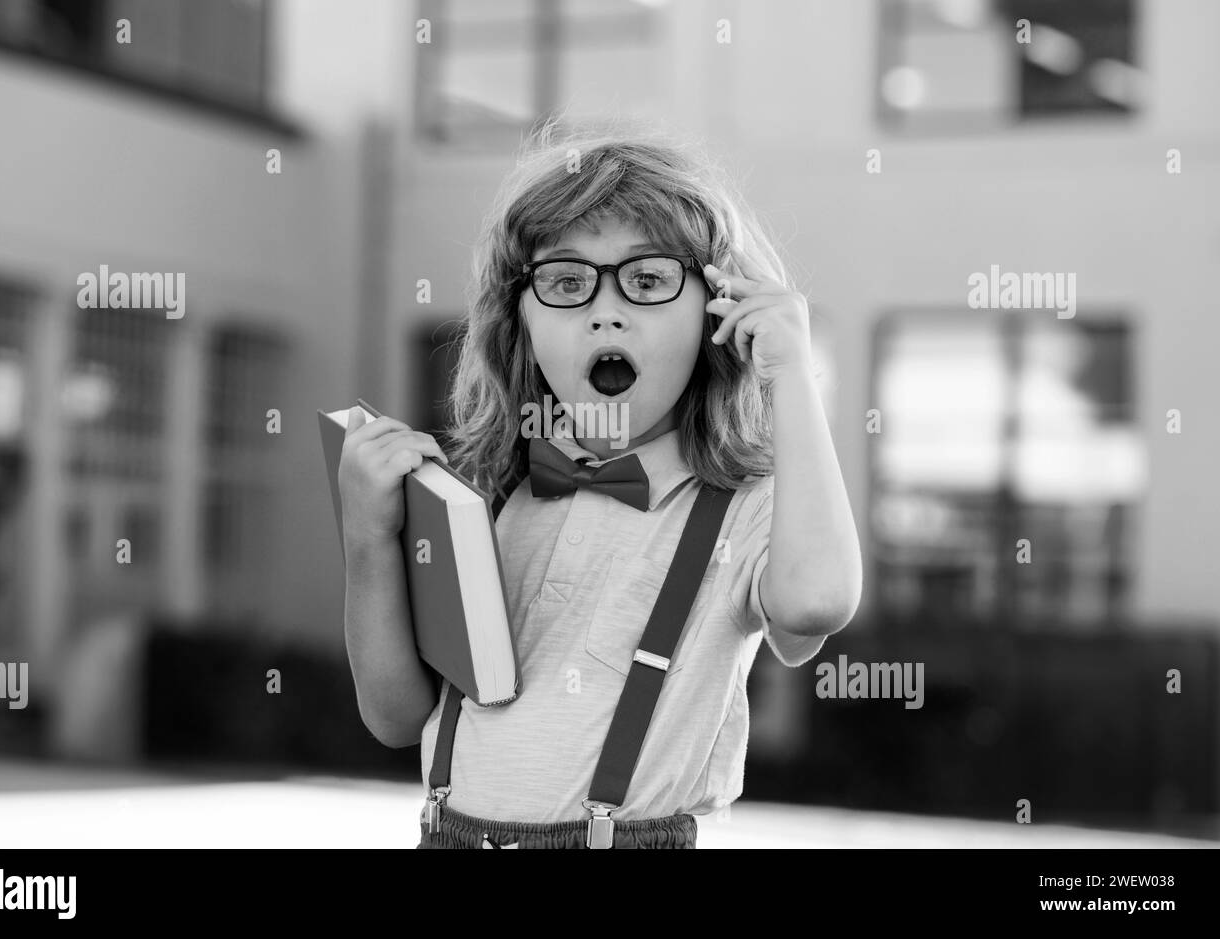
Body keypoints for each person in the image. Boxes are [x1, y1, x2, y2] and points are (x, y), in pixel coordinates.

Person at [338, 121, 862, 848]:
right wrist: (368, 538)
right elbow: (396, 717)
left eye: (648, 280)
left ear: (719, 312)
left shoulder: (743, 506)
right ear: (518, 319)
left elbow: (817, 601)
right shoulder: (487, 494)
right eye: (566, 282)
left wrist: (793, 379)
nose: (605, 309)